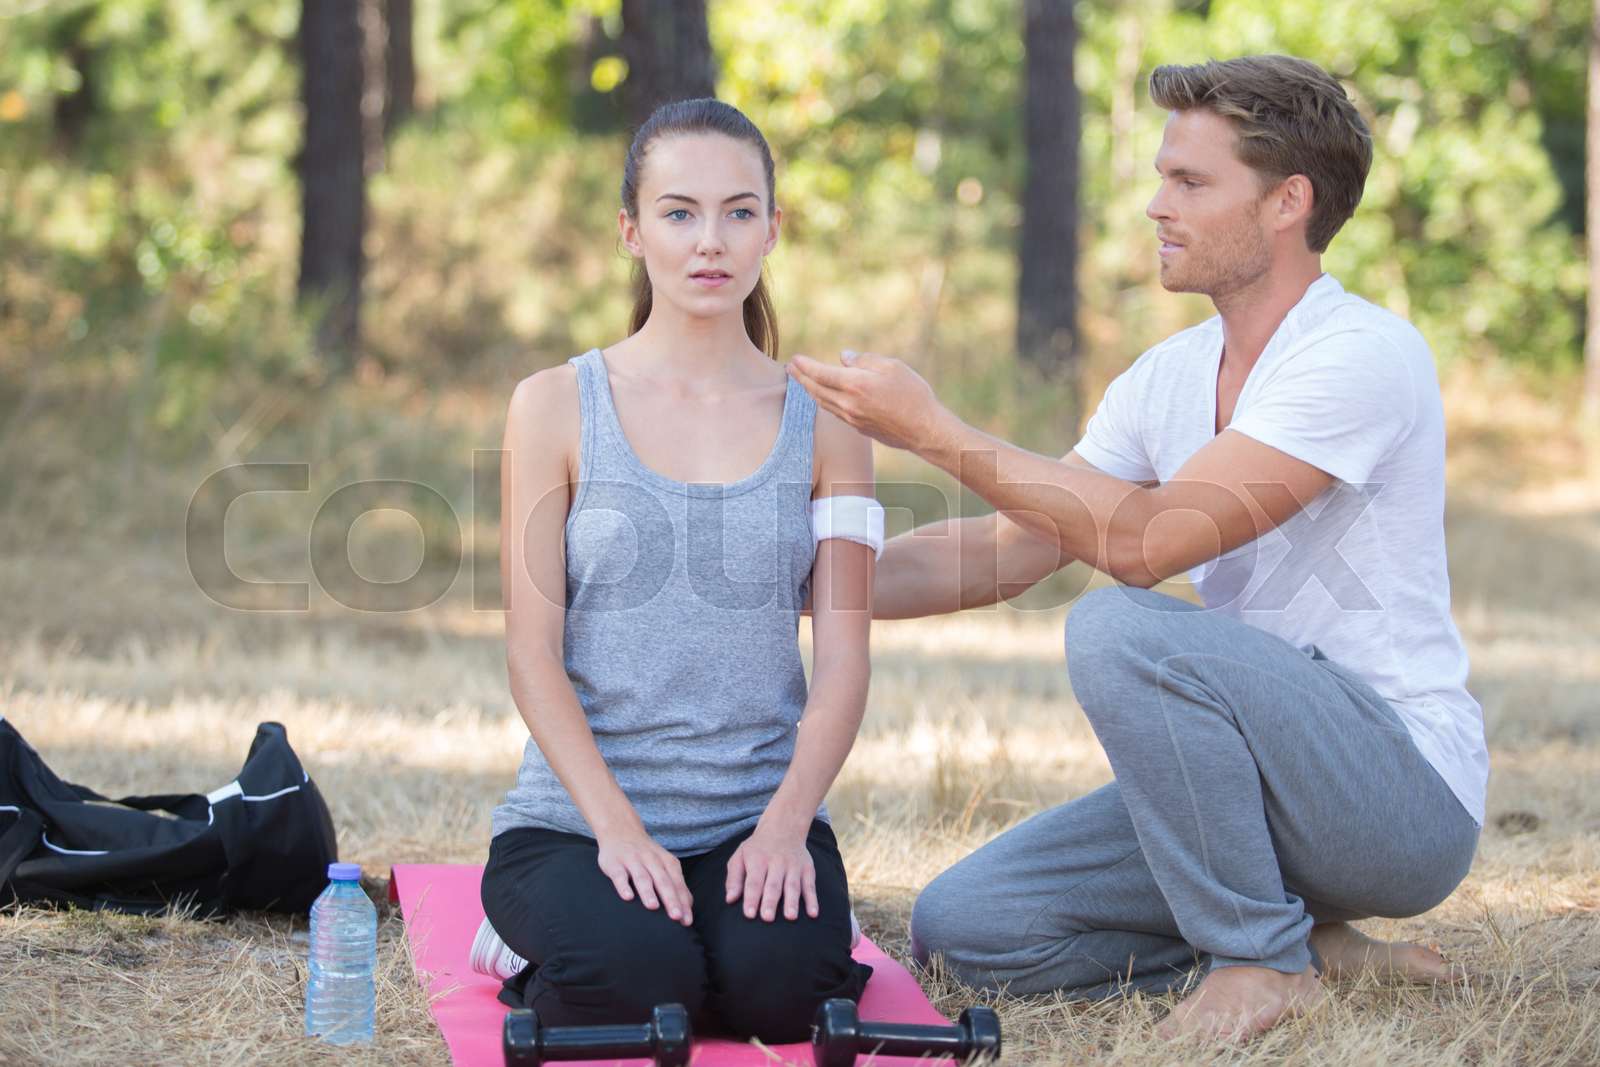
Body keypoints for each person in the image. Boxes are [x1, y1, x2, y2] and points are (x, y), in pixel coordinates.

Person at [788, 55, 1487, 1042]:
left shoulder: (1359, 354)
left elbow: (1148, 542)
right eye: (1162, 177)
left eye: (1190, 182)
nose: (1157, 205)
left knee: (1122, 626)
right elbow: (1007, 551)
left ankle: (1257, 957)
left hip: (1397, 797)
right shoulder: (1166, 377)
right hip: (1254, 794)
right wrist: (789, 580)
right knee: (971, 924)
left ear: (1288, 202)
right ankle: (1303, 941)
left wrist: (931, 429)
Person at [473, 98, 880, 1043]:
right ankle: (529, 939)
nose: (710, 241)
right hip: (577, 824)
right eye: (679, 212)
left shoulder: (829, 421)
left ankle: (739, 932)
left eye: (739, 212)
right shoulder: (553, 404)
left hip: (753, 817)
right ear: (632, 230)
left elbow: (845, 661)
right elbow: (531, 655)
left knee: (787, 999)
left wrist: (786, 826)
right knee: (639, 990)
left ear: (772, 230)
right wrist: (618, 830)